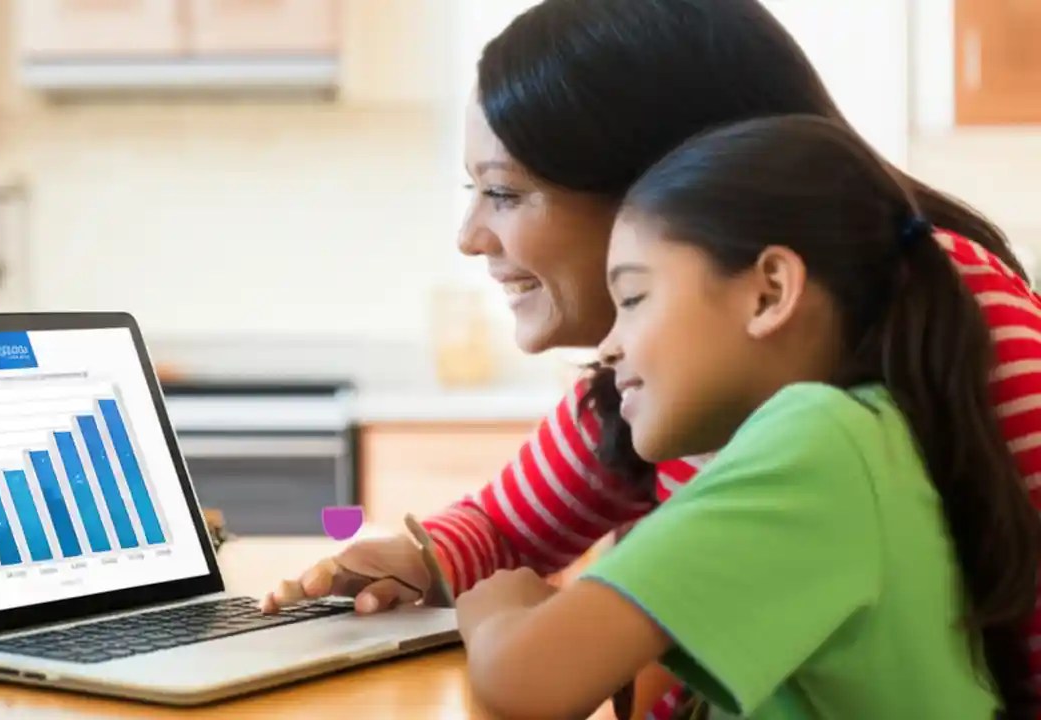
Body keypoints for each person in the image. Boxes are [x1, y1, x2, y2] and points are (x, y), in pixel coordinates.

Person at [262, 0, 1041, 713]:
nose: (469, 236)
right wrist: (418, 564)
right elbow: (505, 530)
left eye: (502, 193)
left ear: (671, 185)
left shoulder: (924, 340)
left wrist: (509, 610)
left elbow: (532, 675)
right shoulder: (689, 379)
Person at [455, 114, 1041, 720]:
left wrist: (497, 607)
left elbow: (528, 682)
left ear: (768, 293)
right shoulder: (866, 438)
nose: (608, 347)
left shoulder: (817, 443)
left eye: (632, 299)